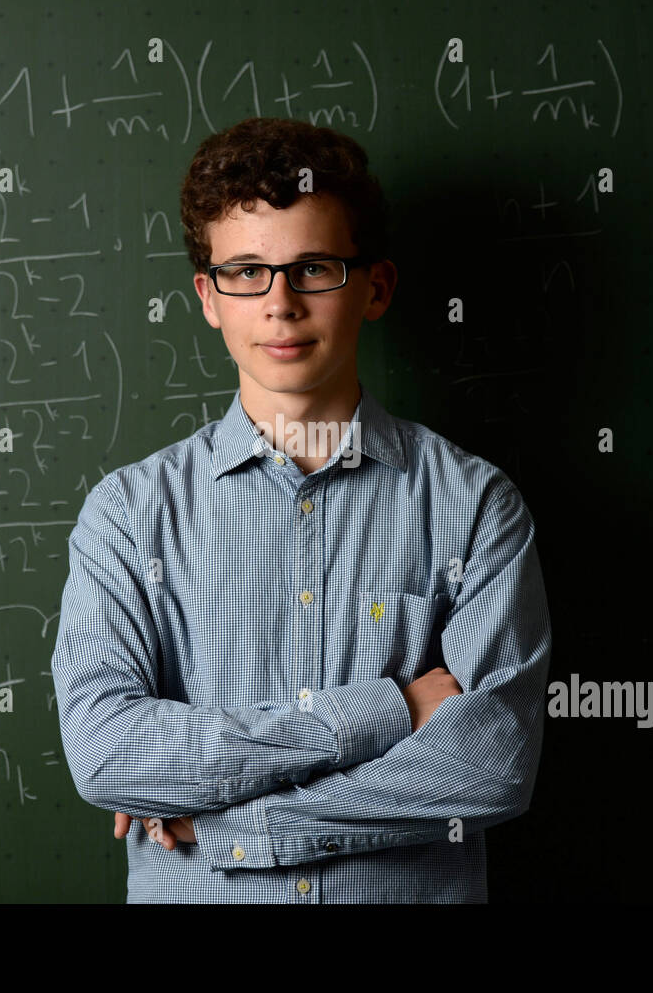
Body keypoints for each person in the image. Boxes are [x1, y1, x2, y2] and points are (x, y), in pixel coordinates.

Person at [50, 116, 551, 903]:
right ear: (208, 298)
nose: (279, 304)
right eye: (245, 272)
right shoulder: (128, 516)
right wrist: (392, 708)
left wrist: (232, 822)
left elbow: (487, 767)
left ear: (375, 287)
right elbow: (110, 754)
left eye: (313, 268)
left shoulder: (474, 506)